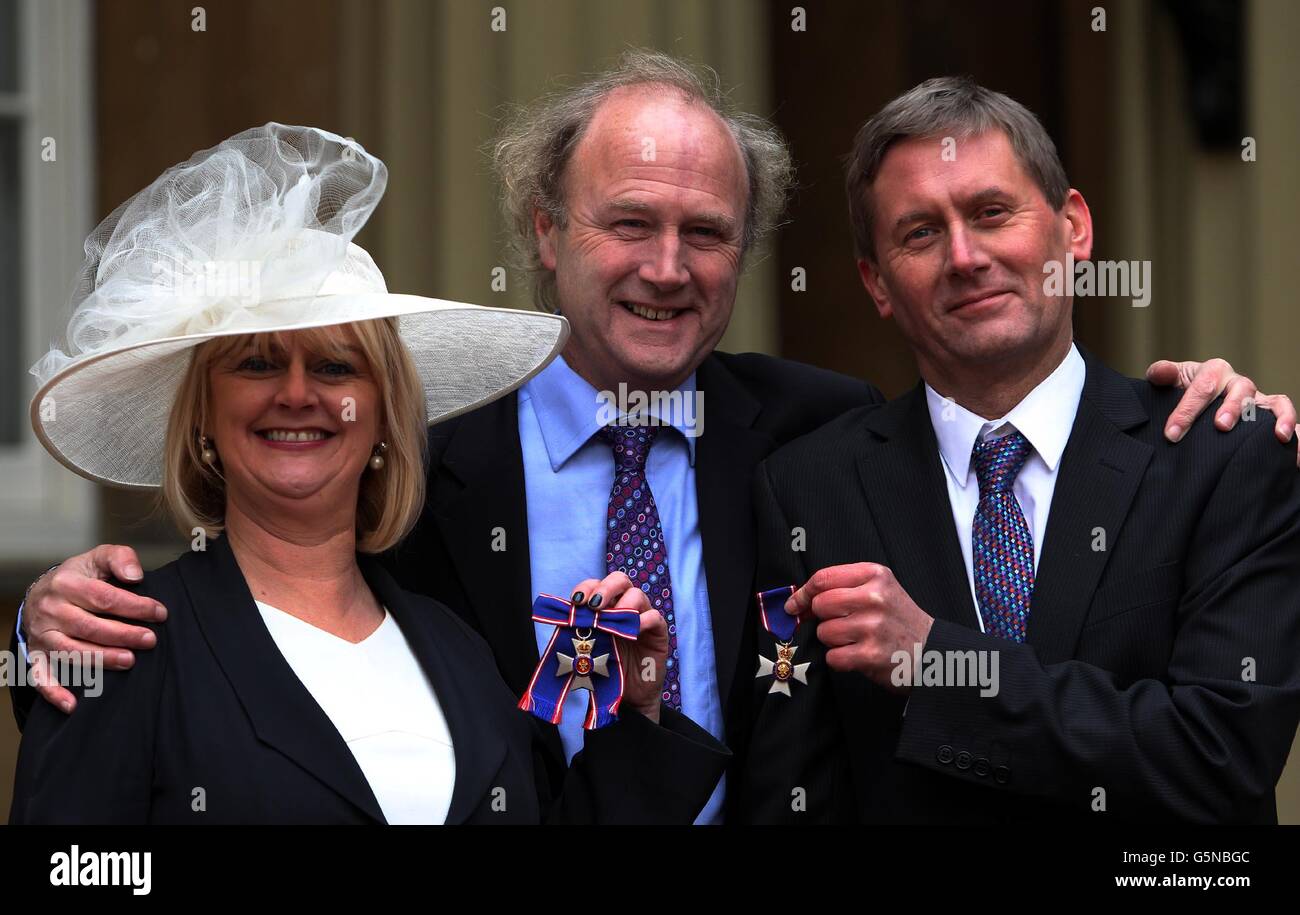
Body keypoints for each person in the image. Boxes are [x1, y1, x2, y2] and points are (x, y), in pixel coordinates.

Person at [10, 52, 1293, 824]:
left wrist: (1235, 405)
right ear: (548, 232)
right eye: (628, 223)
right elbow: (262, 588)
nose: (666, 269)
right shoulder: (421, 465)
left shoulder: (826, 438)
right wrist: (40, 631)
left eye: (708, 233)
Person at [8, 124, 727, 824]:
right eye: (256, 363)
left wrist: (638, 713)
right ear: (203, 412)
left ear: (384, 414)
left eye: (333, 366)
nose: (296, 393)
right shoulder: (124, 644)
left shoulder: (461, 653)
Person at [740, 77, 1300, 823]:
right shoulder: (808, 489)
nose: (965, 256)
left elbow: (1223, 756)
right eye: (920, 232)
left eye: (991, 212)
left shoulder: (1220, 452)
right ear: (877, 284)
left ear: (1074, 229)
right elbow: (795, 798)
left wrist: (941, 664)